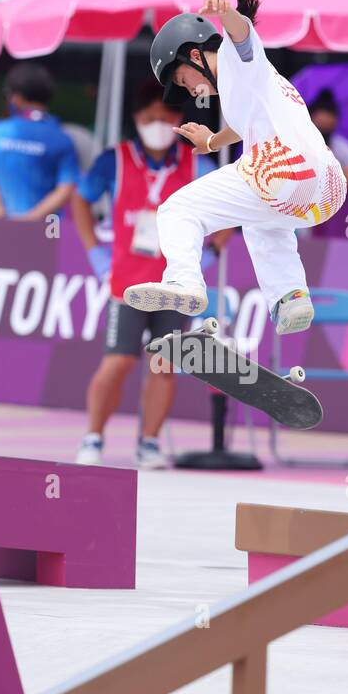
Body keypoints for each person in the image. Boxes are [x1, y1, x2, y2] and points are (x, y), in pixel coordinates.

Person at [122, 0, 348, 336]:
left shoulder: (232, 56)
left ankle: (184, 282)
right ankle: (291, 296)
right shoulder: (261, 83)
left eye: (184, 79)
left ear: (196, 55)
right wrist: (212, 140)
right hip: (328, 187)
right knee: (262, 220)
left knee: (177, 210)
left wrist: (226, 12)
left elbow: (241, 34)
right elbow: (244, 128)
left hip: (282, 168)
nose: (192, 90)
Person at [72, 81, 222, 469]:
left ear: (178, 119)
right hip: (127, 282)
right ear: (137, 118)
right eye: (149, 116)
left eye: (166, 116)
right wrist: (94, 253)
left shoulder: (197, 163)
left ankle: (149, 444)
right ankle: (93, 437)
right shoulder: (115, 160)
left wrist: (213, 253)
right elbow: (80, 200)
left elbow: (227, 208)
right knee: (118, 361)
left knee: (163, 363)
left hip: (176, 285)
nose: (158, 123)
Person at [0, 63, 80, 219]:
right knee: (54, 240)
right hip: (51, 230)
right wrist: (30, 219)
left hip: (5, 229)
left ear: (16, 98)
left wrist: (1, 216)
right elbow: (66, 187)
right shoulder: (62, 138)